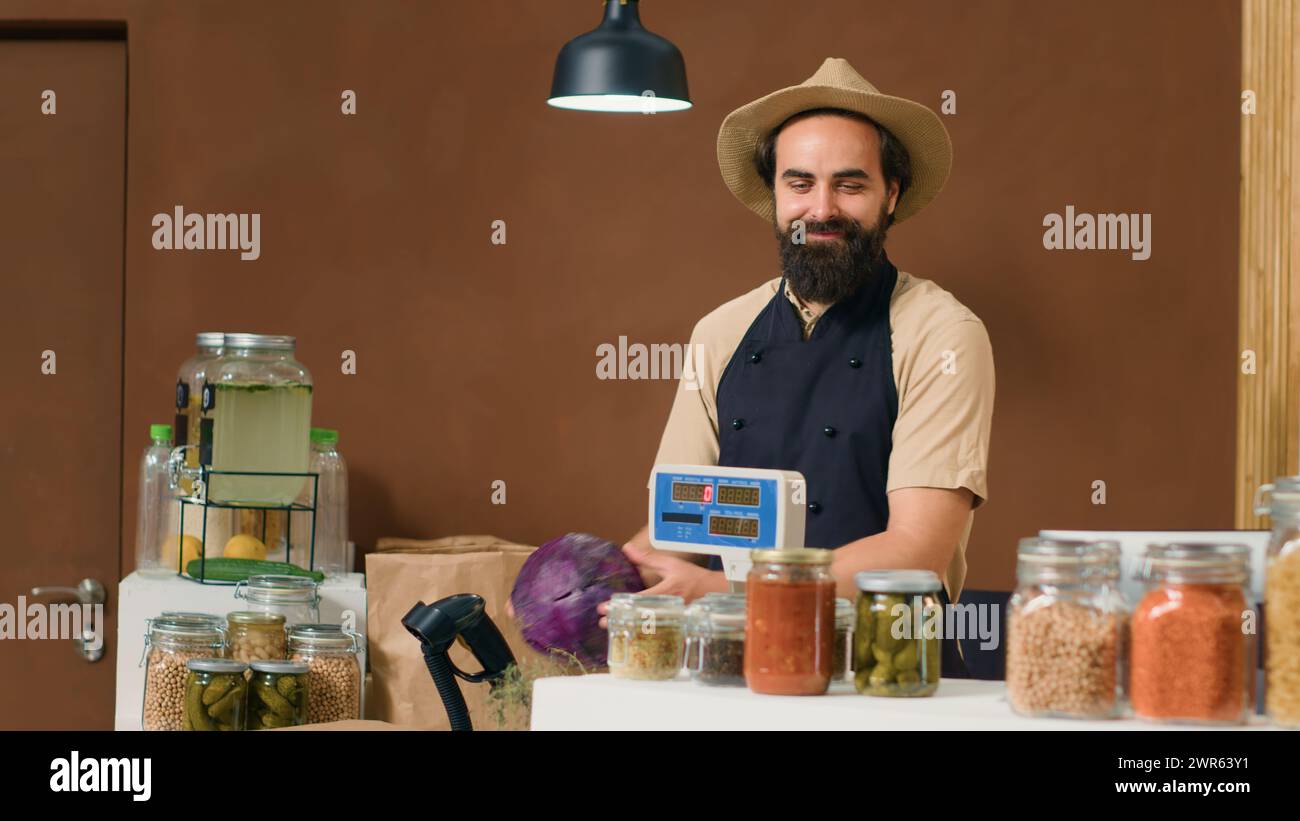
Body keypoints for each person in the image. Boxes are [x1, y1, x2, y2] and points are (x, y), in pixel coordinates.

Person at [600, 58, 995, 667]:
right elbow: (675, 523)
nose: (822, 209)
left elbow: (916, 549)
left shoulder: (941, 333)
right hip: (739, 668)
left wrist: (727, 591)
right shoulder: (722, 332)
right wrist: (590, 579)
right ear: (776, 193)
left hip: (888, 675)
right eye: (801, 182)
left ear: (891, 193)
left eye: (851, 184)